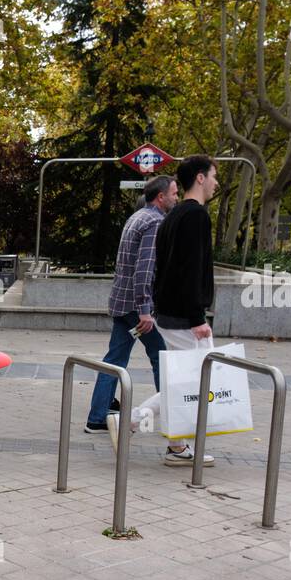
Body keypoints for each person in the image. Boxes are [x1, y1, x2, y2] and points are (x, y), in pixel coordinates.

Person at [109, 154, 218, 466]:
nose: (215, 183)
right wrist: (198, 317)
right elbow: (189, 270)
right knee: (194, 382)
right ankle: (132, 423)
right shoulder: (195, 216)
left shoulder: (170, 217)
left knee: (182, 381)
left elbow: (165, 270)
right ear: (199, 177)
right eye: (212, 176)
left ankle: (175, 445)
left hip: (169, 313)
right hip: (185, 317)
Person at [83, 176, 179, 435]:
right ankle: (173, 417)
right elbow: (145, 270)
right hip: (139, 310)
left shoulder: (136, 218)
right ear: (161, 197)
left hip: (123, 303)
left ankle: (97, 417)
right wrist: (146, 311)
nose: (177, 197)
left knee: (114, 361)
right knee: (162, 359)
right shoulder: (156, 223)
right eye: (174, 193)